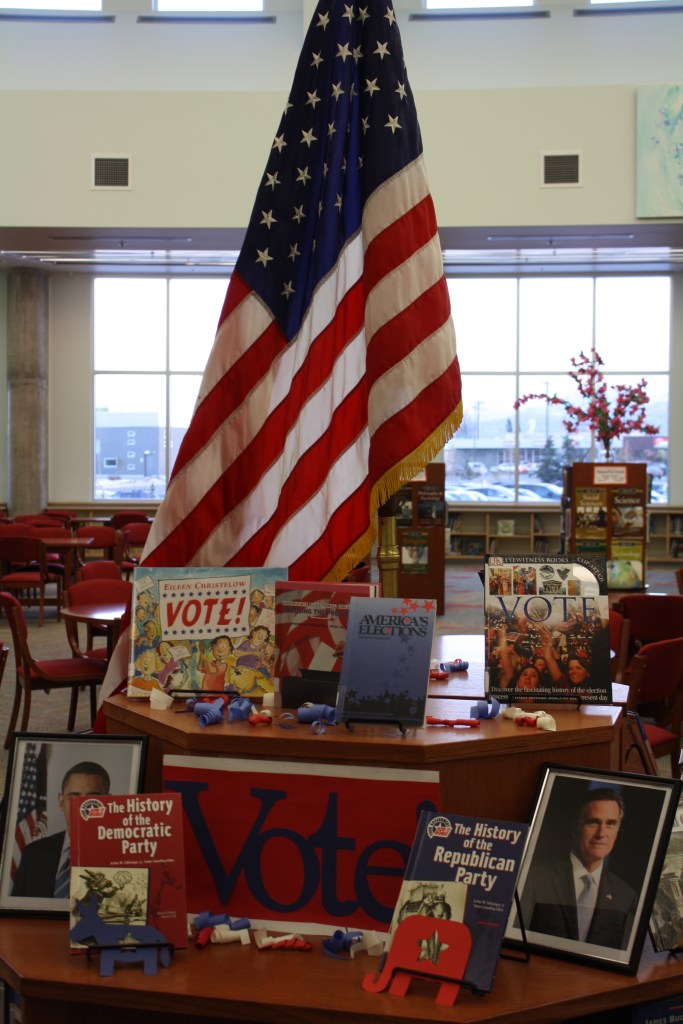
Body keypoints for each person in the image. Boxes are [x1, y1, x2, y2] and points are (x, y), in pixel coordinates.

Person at [520, 787, 638, 950]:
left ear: (617, 831)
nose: (601, 833)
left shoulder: (626, 896)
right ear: (575, 827)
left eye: (610, 824)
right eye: (593, 822)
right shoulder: (534, 880)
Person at [12, 761, 110, 899]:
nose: (82, 805)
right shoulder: (33, 854)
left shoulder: (122, 857)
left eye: (92, 797)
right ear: (61, 801)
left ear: (109, 802)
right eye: (74, 796)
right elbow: (17, 916)